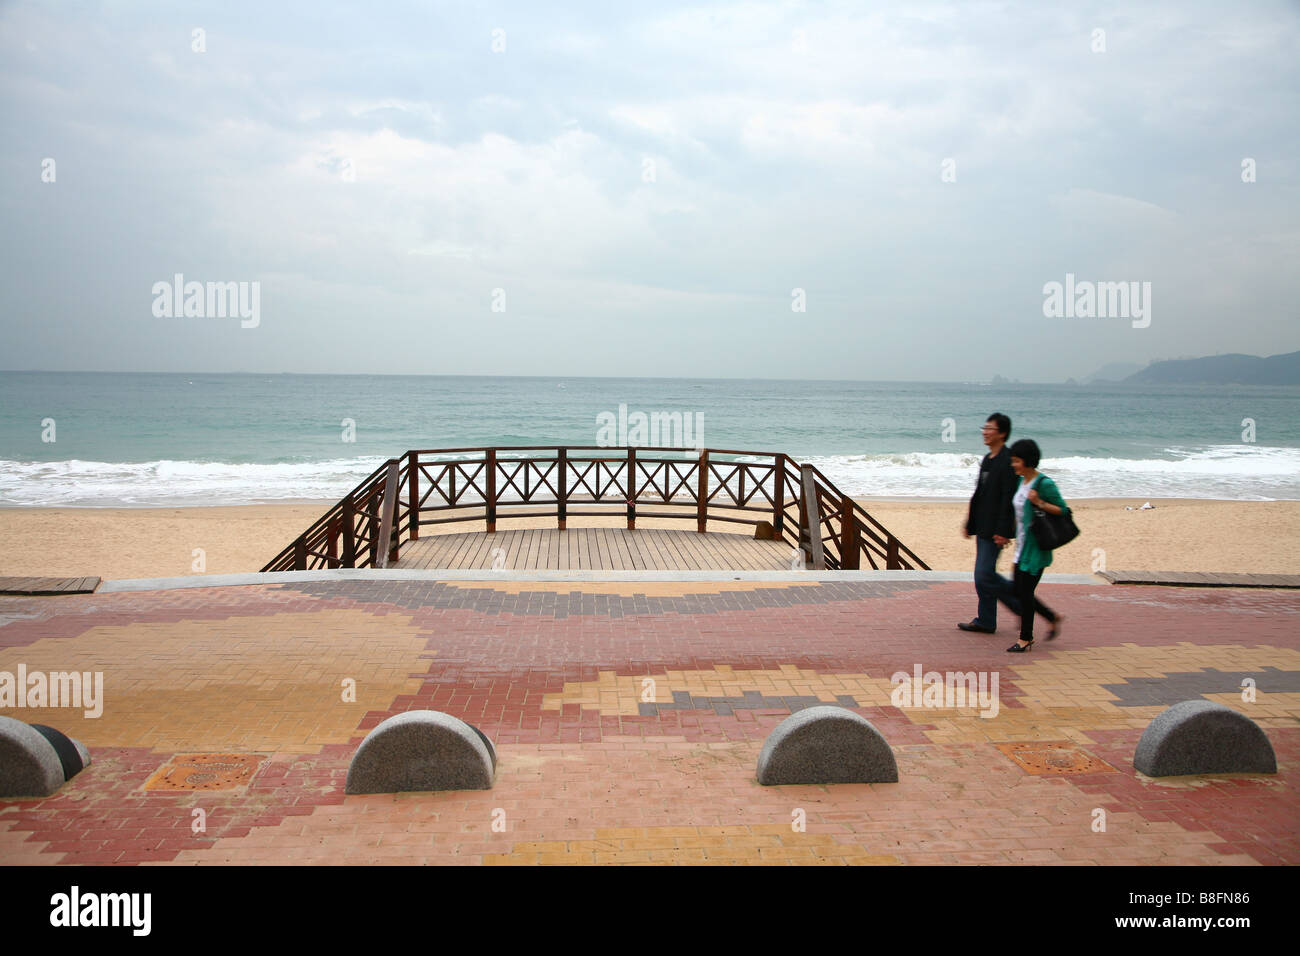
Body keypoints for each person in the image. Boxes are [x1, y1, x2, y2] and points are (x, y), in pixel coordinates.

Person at [958, 413, 1018, 633]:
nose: (984, 431)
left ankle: (1021, 604)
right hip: (983, 525)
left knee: (985, 574)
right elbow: (979, 493)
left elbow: (1008, 499)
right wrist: (969, 522)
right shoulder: (987, 459)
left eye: (990, 428)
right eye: (984, 427)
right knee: (982, 575)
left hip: (996, 529)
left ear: (1002, 433)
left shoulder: (1008, 461)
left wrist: (1004, 531)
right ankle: (986, 620)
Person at [1005, 438, 1066, 652]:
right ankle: (1052, 617)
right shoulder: (1020, 482)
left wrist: (1039, 502)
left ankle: (1025, 638)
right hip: (1022, 547)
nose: (1013, 465)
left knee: (1025, 592)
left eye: (1016, 461)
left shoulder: (1044, 484)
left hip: (1037, 548)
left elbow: (1063, 510)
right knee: (1018, 590)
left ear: (1028, 461)